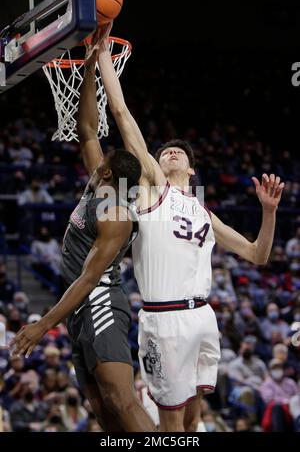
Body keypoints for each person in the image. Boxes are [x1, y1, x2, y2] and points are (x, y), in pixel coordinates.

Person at [95, 23, 285, 432]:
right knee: (171, 425)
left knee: (196, 415)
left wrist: (268, 213)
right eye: (165, 153)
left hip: (203, 317)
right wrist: (103, 53)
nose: (171, 151)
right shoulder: (153, 191)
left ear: (192, 169)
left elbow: (258, 255)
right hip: (164, 320)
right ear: (156, 167)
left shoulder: (205, 213)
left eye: (179, 152)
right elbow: (122, 113)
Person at [8, 35, 155, 433]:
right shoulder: (100, 187)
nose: (94, 157)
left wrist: (43, 325)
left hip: (100, 300)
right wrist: (89, 66)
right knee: (101, 406)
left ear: (106, 172)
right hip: (80, 307)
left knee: (121, 400)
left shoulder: (116, 214)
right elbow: (88, 128)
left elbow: (90, 279)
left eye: (101, 161)